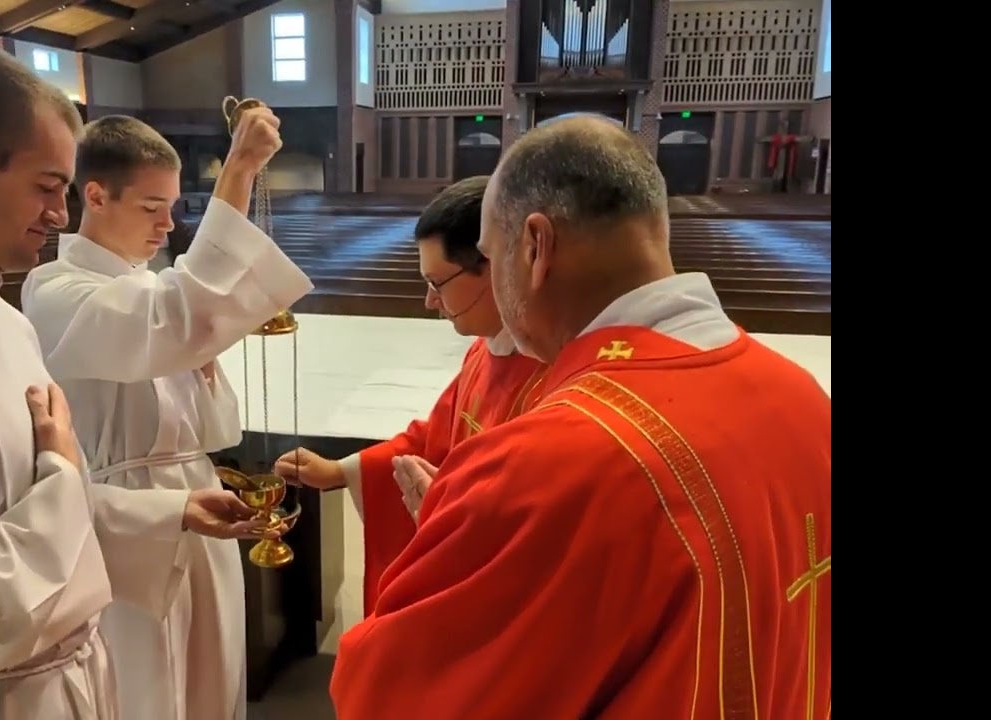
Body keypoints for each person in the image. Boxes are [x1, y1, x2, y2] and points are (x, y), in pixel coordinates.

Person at [329, 115, 831, 719]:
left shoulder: (555, 457)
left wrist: (465, 528)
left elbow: (390, 690)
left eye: (491, 253)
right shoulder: (804, 398)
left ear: (535, 248)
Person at [0, 49, 264, 720]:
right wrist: (59, 478)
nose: (60, 212)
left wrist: (164, 513)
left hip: (70, 678)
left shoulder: (3, 319)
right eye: (48, 185)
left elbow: (25, 514)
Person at [20, 114, 313, 720]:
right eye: (153, 205)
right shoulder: (55, 288)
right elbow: (176, 317)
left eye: (174, 205)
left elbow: (212, 426)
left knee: (214, 675)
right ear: (96, 196)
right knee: (148, 688)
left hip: (197, 496)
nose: (168, 223)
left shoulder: (144, 287)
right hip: (128, 524)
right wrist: (240, 169)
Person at [271, 176, 546, 613]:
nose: (429, 301)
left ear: (496, 265)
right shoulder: (486, 349)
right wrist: (341, 471)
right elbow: (434, 438)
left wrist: (457, 520)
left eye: (438, 282)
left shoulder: (555, 378)